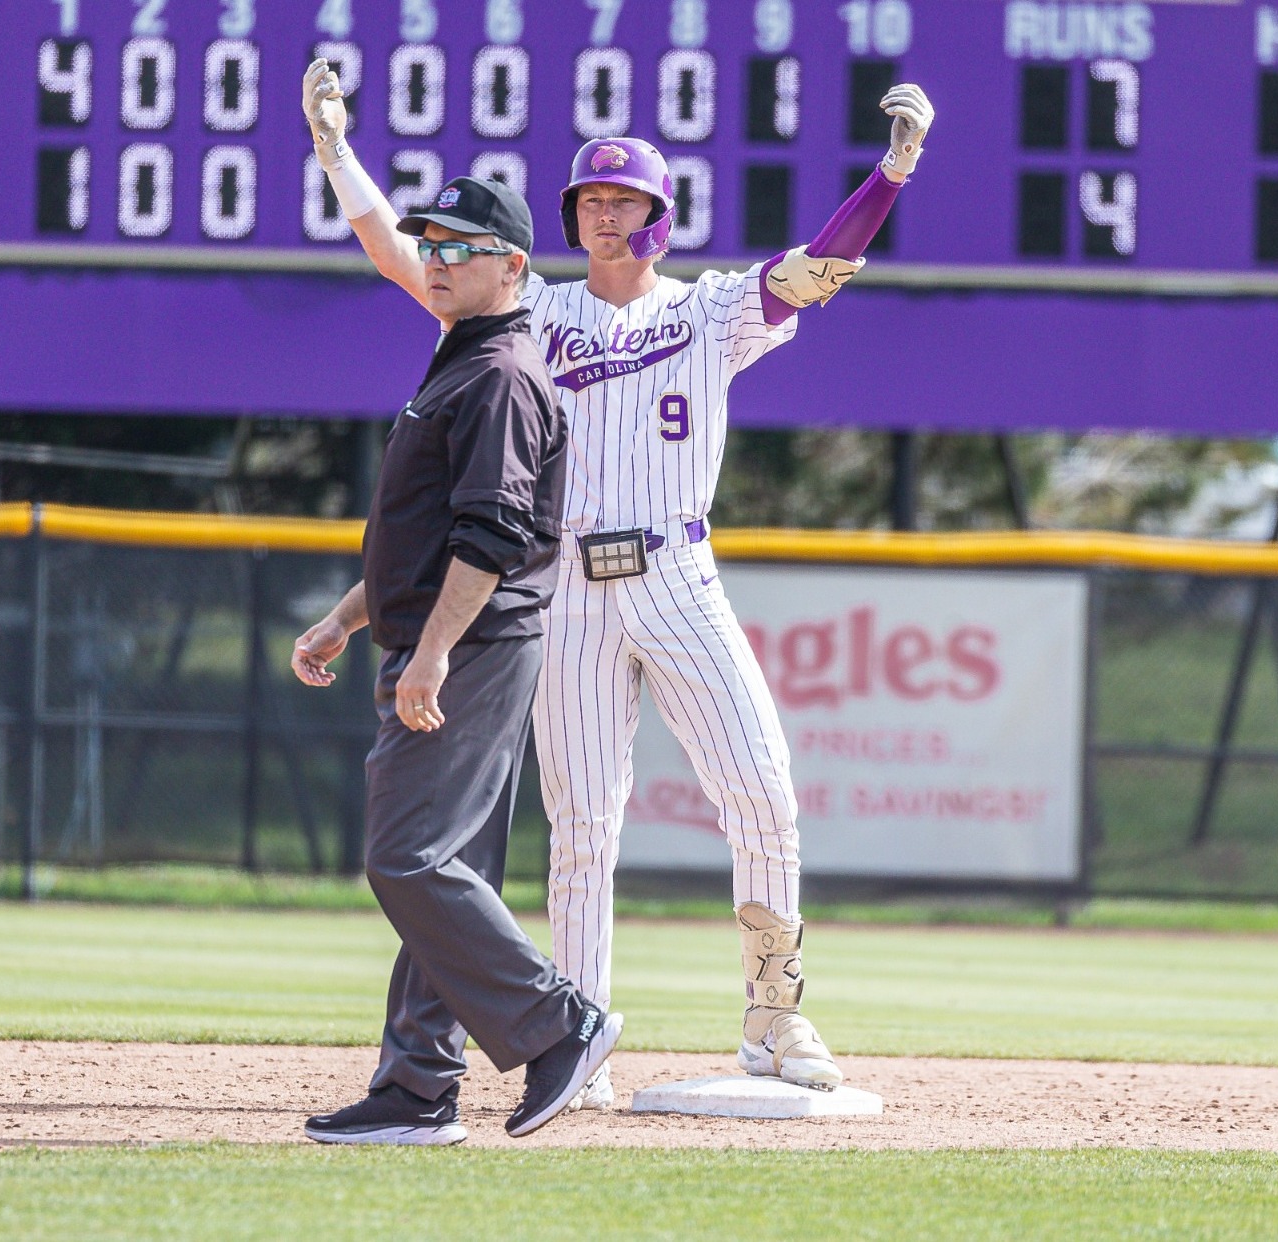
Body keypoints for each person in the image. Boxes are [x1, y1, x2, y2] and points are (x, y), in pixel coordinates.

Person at [303, 58, 934, 1106]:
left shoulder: (713, 312)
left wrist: (893, 175)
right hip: (568, 588)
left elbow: (819, 266)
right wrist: (334, 151)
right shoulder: (531, 313)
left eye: (623, 198)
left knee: (763, 792)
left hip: (679, 571)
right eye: (590, 199)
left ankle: (775, 1018)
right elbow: (396, 254)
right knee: (583, 821)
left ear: (658, 215)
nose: (604, 214)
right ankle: (577, 1039)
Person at [289, 170, 620, 1145]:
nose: (433, 259)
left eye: (456, 247)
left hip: (470, 646)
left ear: (512, 265)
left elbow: (488, 535)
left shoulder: (501, 376)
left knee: (406, 859)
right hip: (446, 636)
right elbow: (429, 535)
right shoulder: (462, 361)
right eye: (426, 243)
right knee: (449, 868)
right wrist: (350, 619)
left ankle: (559, 1024)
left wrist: (428, 654)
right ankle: (418, 1086)